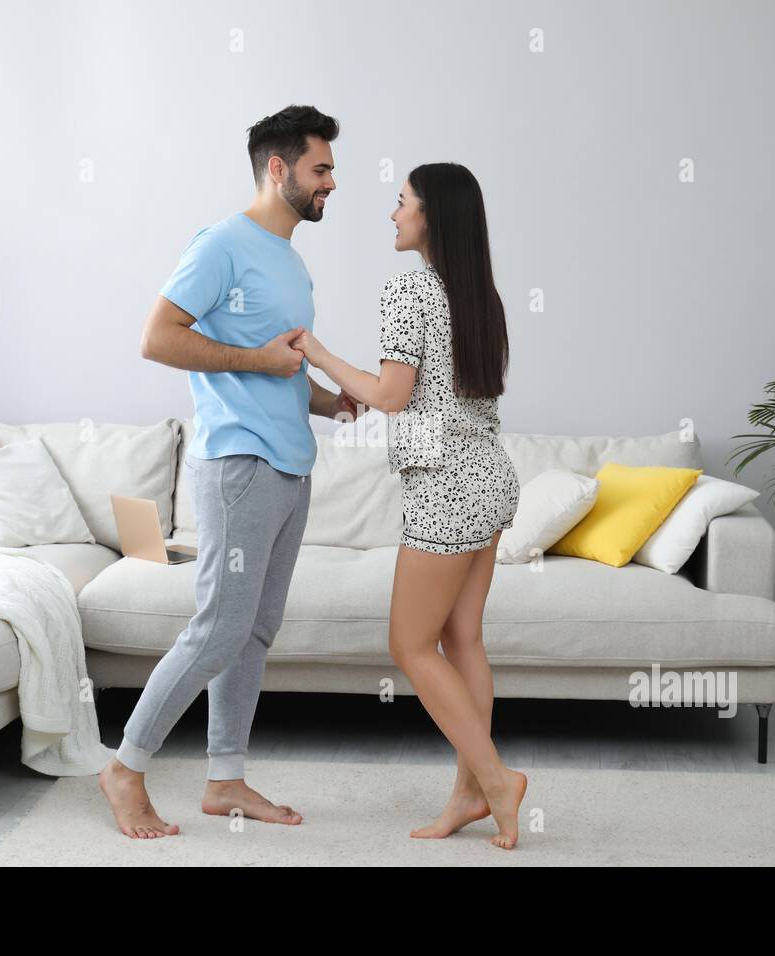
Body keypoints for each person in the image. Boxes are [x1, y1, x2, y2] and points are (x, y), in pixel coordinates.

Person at [98, 105, 361, 839]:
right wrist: (258, 361)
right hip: (238, 464)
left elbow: (276, 367)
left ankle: (226, 780)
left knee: (253, 632)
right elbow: (157, 339)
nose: (332, 182)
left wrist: (326, 400)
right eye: (322, 168)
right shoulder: (221, 245)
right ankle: (125, 768)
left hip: (289, 466)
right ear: (278, 170)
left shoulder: (292, 262)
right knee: (218, 627)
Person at [293, 162, 528, 849]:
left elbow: (392, 395)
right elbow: (437, 395)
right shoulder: (479, 294)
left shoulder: (411, 288)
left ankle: (494, 779)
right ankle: (467, 797)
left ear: (431, 217)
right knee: (463, 641)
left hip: (446, 487)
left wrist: (316, 351)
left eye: (401, 204)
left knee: (409, 643)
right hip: (490, 479)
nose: (392, 216)